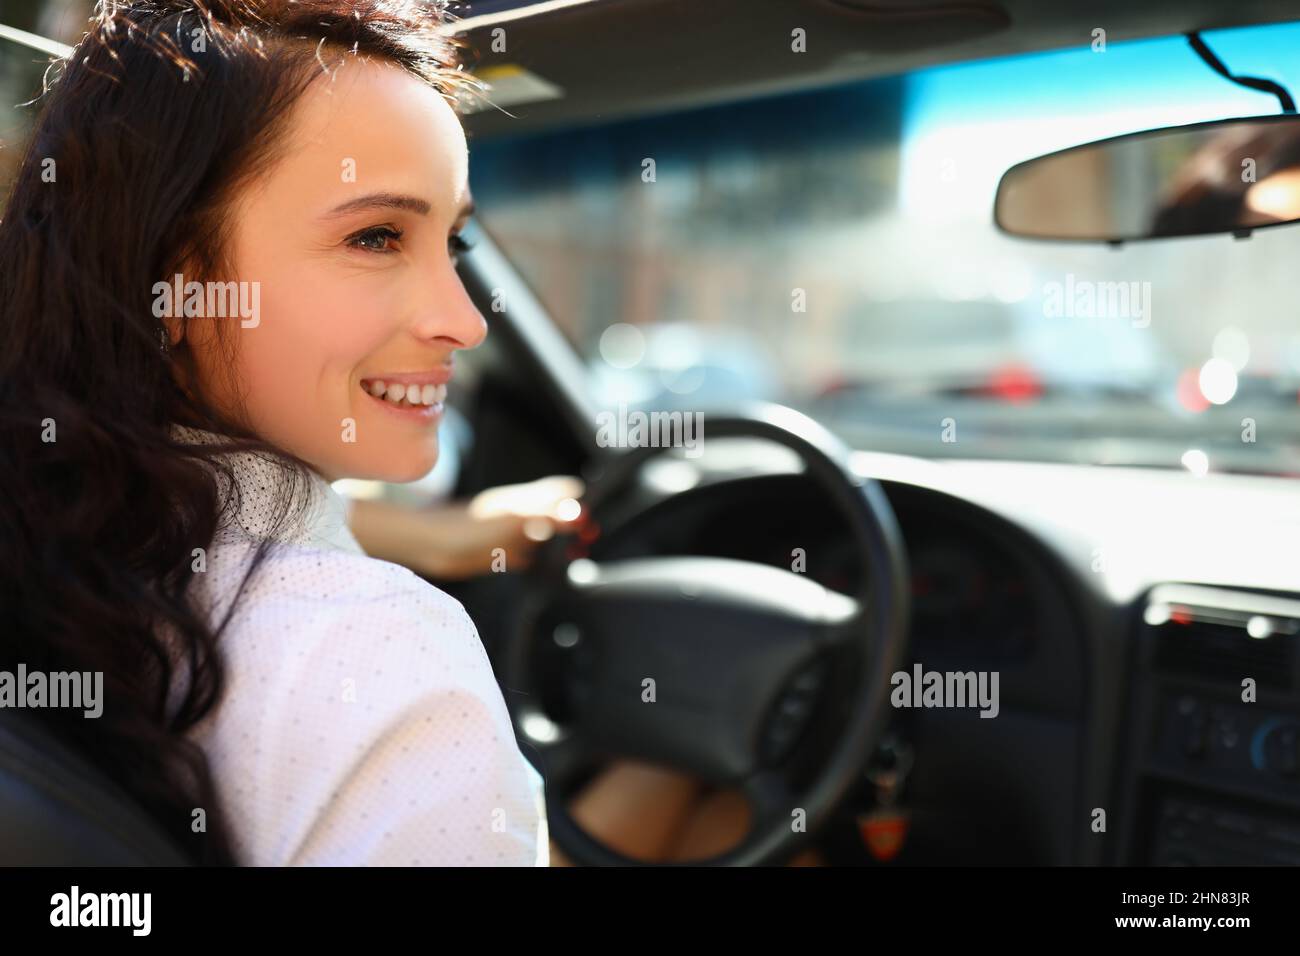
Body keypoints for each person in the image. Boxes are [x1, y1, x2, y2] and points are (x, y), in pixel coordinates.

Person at [0, 0, 546, 866]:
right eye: (376, 237)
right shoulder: (384, 648)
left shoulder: (59, 554)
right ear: (176, 282)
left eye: (455, 243)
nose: (464, 321)